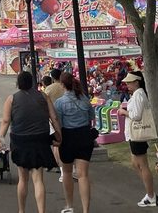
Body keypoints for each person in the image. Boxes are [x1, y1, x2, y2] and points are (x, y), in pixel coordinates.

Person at [0, 71, 61, 213]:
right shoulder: (43, 96)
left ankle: (22, 210)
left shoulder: (12, 99)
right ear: (32, 82)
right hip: (40, 138)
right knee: (38, 179)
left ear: (18, 83)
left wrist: (0, 138)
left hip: (20, 140)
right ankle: (41, 211)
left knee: (23, 178)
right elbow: (54, 117)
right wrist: (59, 135)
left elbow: (6, 121)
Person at [54, 71, 96, 213]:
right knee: (83, 174)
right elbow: (91, 115)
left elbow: (58, 123)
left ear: (62, 85)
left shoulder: (59, 103)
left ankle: (69, 205)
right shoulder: (84, 99)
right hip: (84, 136)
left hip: (68, 137)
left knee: (66, 172)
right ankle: (86, 209)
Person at [120, 72, 158, 208]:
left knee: (142, 165)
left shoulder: (138, 95)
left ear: (137, 82)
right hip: (134, 134)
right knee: (136, 164)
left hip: (137, 135)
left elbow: (136, 116)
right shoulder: (138, 94)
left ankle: (151, 195)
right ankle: (150, 192)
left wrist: (123, 112)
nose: (127, 85)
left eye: (129, 82)